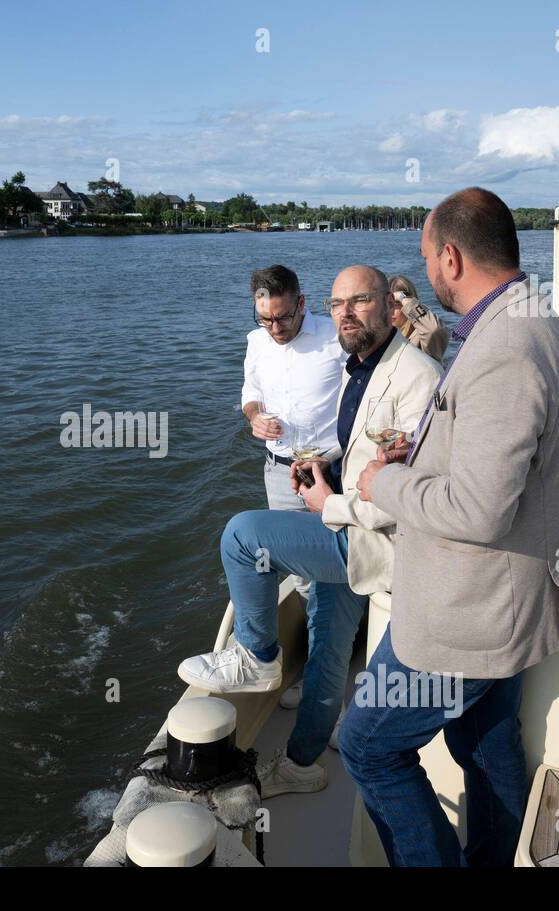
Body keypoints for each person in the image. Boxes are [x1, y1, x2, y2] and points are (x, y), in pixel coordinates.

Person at [346, 187, 559, 867]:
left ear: (451, 257)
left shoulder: (507, 344)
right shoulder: (526, 317)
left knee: (367, 745)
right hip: (503, 607)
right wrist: (422, 457)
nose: (425, 273)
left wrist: (383, 481)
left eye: (427, 258)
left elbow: (481, 510)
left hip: (470, 614)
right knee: (482, 742)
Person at [178, 265, 441, 798]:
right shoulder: (359, 365)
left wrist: (331, 501)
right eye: (339, 302)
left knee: (242, 536)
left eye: (360, 301)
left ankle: (258, 657)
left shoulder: (413, 374)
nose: (346, 313)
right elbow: (362, 444)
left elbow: (412, 493)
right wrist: (318, 470)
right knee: (327, 644)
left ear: (391, 306)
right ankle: (301, 764)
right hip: (322, 488)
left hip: (369, 535)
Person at [241, 265, 346, 515]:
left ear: (300, 303)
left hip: (333, 468)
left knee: (340, 546)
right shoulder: (256, 341)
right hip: (279, 474)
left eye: (283, 317)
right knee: (287, 548)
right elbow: (251, 393)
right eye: (265, 319)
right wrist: (255, 416)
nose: (275, 329)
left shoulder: (336, 335)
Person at [387, 275, 450, 362]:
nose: (391, 311)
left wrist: (403, 297)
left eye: (397, 304)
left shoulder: (420, 338)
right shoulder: (385, 337)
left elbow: (433, 329)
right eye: (388, 305)